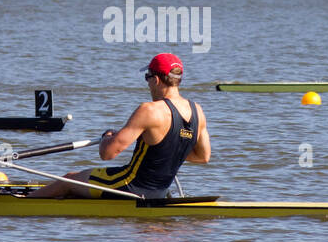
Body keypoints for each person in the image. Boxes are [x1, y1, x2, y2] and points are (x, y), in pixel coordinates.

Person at [30, 52, 210, 199]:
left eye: (147, 77)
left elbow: (107, 154)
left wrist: (107, 137)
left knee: (69, 180)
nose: (147, 83)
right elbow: (203, 156)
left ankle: (24, 205)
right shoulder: (198, 112)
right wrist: (166, 148)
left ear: (156, 80)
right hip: (160, 192)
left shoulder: (149, 110)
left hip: (129, 186)